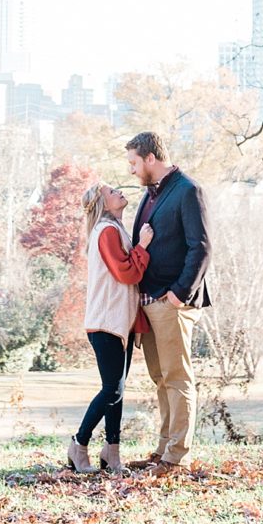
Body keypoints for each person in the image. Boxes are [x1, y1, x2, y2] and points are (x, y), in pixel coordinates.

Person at [124, 130, 212, 474]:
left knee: (177, 378)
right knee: (161, 378)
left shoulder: (188, 191)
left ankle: (177, 456)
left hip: (172, 303)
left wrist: (179, 294)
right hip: (148, 303)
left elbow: (201, 248)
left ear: (150, 158)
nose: (131, 170)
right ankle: (163, 449)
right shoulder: (151, 195)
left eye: (134, 162)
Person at [65, 182, 153, 476]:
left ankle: (112, 452)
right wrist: (143, 246)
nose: (118, 192)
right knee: (111, 389)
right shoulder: (107, 231)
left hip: (118, 322)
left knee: (117, 390)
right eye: (111, 192)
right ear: (103, 204)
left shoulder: (114, 229)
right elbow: (126, 272)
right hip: (106, 323)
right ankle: (79, 443)